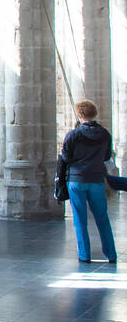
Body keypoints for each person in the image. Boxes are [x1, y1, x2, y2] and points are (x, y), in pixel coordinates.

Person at [56, 100, 117, 264]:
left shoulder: (73, 135)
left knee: (80, 219)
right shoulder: (105, 134)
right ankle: (111, 254)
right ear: (94, 113)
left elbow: (66, 157)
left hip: (77, 180)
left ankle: (84, 255)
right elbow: (106, 157)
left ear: (79, 115)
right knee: (102, 218)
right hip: (96, 179)